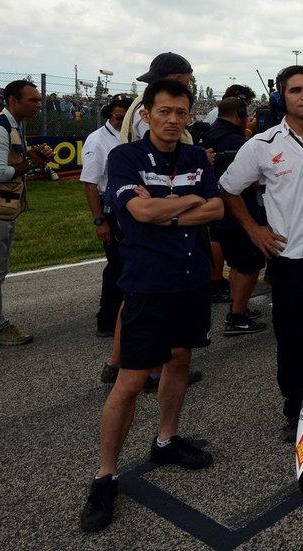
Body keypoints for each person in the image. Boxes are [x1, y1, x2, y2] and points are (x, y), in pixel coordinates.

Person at [80, 79, 221, 533]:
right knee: (131, 379)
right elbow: (137, 214)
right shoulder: (124, 158)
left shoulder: (197, 157)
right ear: (147, 114)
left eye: (182, 113)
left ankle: (166, 440)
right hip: (148, 284)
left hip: (191, 281)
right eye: (165, 112)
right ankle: (105, 476)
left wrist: (166, 206)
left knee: (180, 359)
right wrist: (185, 203)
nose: (173, 120)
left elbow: (216, 208)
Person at [219, 65, 303, 442]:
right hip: (288, 259)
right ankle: (296, 411)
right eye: (296, 90)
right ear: (282, 98)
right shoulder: (262, 144)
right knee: (290, 339)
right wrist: (255, 229)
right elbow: (228, 188)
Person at [0, 80, 50, 345]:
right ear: (12, 101)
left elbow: (11, 158)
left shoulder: (14, 125)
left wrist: (31, 154)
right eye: (32, 100)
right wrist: (32, 163)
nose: (38, 105)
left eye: (39, 100)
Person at [204, 97, 266, 337]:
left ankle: (239, 308)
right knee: (248, 265)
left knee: (240, 263)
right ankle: (237, 315)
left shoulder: (210, 134)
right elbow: (250, 180)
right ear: (239, 115)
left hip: (219, 210)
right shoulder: (236, 140)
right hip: (240, 211)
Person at [80, 95, 132, 337]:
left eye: (127, 116)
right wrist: (99, 220)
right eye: (118, 116)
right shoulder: (97, 140)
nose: (123, 120)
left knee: (131, 263)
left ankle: (128, 314)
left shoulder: (133, 135)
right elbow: (90, 184)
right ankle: (107, 320)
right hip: (110, 210)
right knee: (116, 266)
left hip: (132, 208)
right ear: (109, 115)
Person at [118, 52, 195, 144]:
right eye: (189, 80)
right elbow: (157, 151)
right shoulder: (149, 106)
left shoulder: (146, 101)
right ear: (178, 78)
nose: (189, 85)